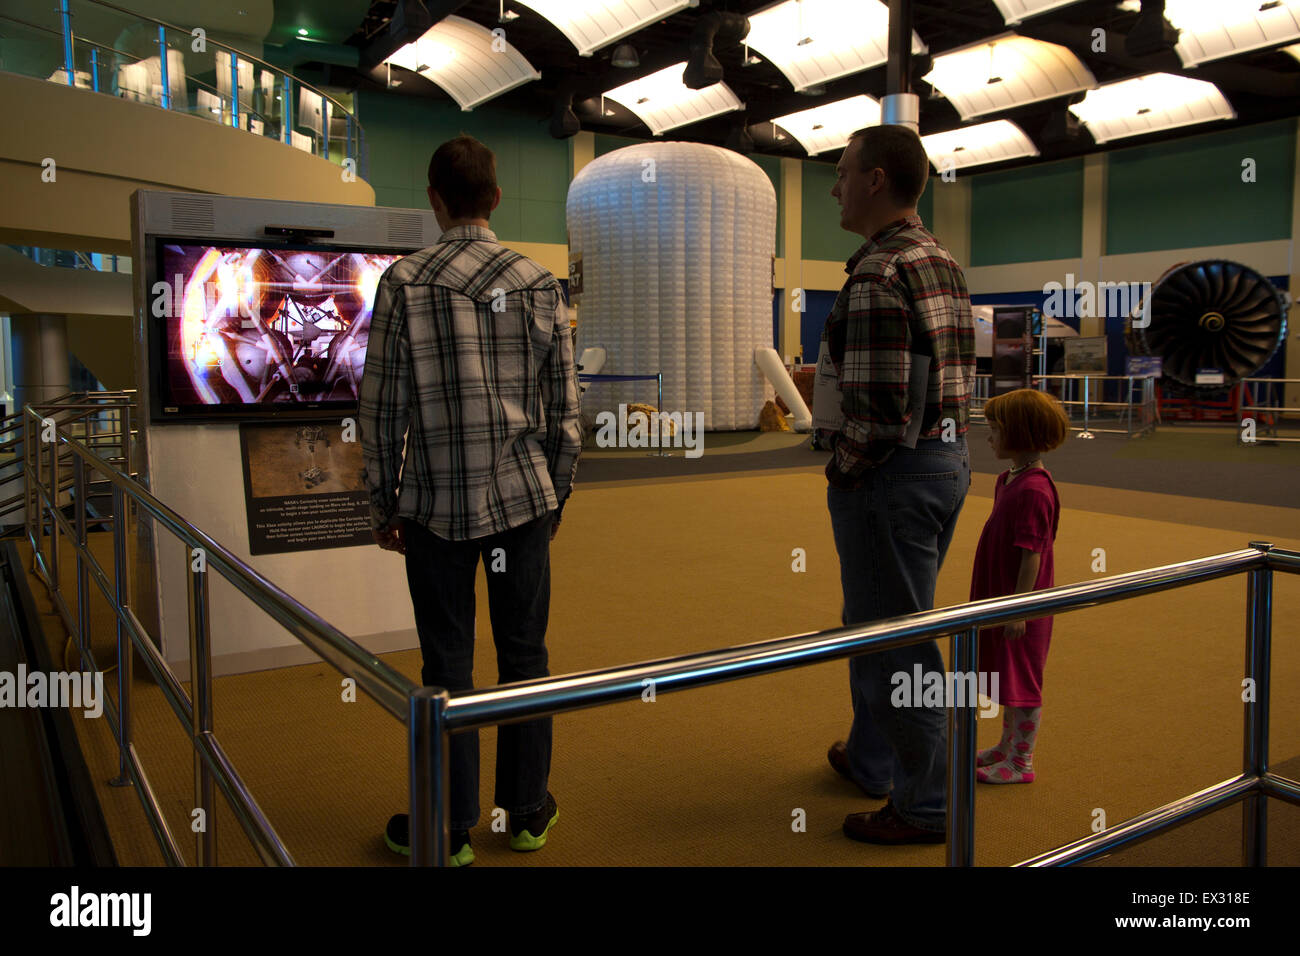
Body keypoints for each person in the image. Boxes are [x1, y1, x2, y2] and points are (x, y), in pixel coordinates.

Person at [359, 135, 582, 866]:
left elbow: (381, 407)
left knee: (445, 665)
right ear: (494, 198)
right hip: (522, 506)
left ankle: (450, 827)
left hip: (431, 508)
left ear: (433, 199)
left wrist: (380, 503)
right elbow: (565, 413)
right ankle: (525, 813)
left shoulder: (403, 283)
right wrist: (554, 496)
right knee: (525, 656)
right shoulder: (541, 282)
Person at [820, 125, 975, 845]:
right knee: (886, 626)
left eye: (844, 172)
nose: (835, 186)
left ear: (876, 180)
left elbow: (879, 421)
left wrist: (841, 469)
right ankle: (872, 758)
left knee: (897, 646)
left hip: (893, 477)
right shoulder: (939, 260)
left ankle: (925, 807)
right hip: (946, 463)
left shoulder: (878, 274)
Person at [970, 388, 1068, 784]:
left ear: (1019, 433)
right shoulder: (1009, 478)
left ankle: (1021, 761)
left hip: (1021, 605)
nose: (989, 437)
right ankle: (1007, 745)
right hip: (1001, 594)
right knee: (1006, 675)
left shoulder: (1034, 490)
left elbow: (1032, 554)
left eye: (995, 429)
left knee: (1024, 680)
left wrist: (1019, 609)